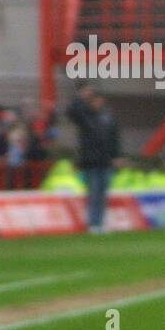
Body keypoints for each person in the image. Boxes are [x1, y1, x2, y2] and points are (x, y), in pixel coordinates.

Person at [66, 84, 121, 234]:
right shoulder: (85, 117)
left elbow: (114, 139)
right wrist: (79, 96)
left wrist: (116, 156)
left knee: (103, 194)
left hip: (106, 162)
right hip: (91, 162)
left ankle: (100, 222)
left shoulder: (107, 118)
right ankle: (93, 223)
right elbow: (71, 112)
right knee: (94, 193)